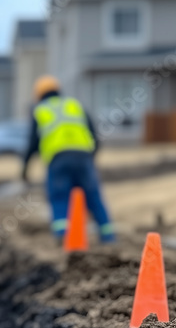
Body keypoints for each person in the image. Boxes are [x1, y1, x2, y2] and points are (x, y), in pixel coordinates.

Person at [22, 75, 115, 243]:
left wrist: (25, 169)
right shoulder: (74, 105)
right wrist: (91, 158)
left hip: (58, 159)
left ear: (39, 95)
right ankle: (107, 235)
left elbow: (32, 143)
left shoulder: (40, 110)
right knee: (93, 196)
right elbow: (94, 134)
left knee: (59, 197)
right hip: (83, 157)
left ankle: (62, 236)